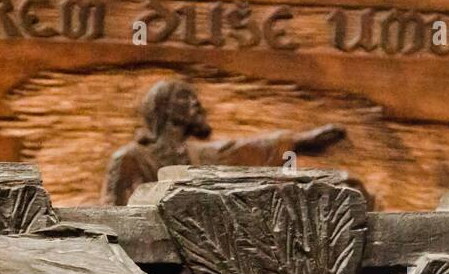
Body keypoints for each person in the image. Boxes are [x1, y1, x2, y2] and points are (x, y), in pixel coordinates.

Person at [102, 79, 346, 206]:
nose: (196, 103)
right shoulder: (130, 158)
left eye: (195, 97)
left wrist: (299, 142)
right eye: (184, 97)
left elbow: (244, 151)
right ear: (163, 107)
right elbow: (112, 218)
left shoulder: (201, 156)